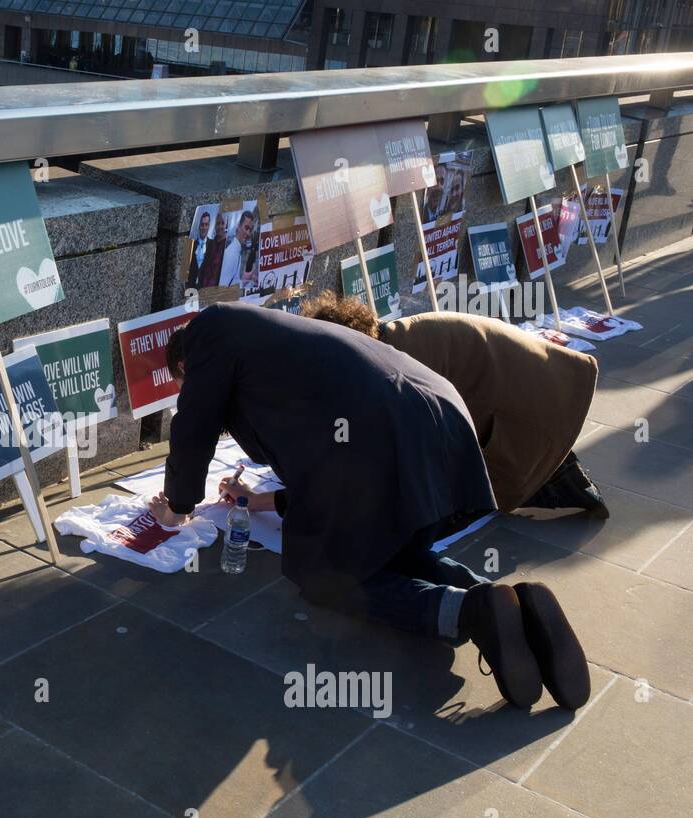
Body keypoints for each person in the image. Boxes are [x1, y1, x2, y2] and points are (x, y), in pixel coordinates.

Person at [148, 301, 589, 710]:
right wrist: (262, 499)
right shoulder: (273, 348)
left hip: (377, 432)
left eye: (184, 385)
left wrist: (178, 507)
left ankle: (467, 613)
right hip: (437, 416)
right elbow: (319, 463)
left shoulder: (210, 329)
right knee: (389, 549)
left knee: (326, 575)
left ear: (184, 366)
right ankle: (514, 605)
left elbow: (194, 427)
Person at [300, 292, 608, 517]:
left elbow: (398, 453)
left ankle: (554, 475)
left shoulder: (397, 368)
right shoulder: (395, 337)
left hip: (534, 400)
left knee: (466, 496)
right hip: (536, 381)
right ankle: (552, 466)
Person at [218, 209, 255, 288]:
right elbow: (223, 287)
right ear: (238, 226)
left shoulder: (237, 251)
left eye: (250, 230)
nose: (248, 233)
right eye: (246, 228)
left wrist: (245, 280)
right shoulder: (231, 254)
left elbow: (233, 282)